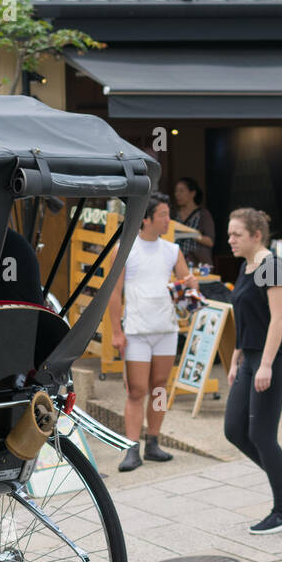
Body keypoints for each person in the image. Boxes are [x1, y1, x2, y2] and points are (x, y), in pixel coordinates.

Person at [223, 208, 282, 535]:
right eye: (230, 234)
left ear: (256, 235)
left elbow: (279, 319)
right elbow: (246, 319)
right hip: (251, 359)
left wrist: (267, 364)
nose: (230, 240)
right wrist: (235, 359)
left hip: (273, 360)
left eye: (236, 235)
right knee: (234, 429)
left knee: (262, 435)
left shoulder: (273, 267)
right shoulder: (247, 267)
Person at [109, 191, 197, 472]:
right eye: (163, 215)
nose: (168, 220)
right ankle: (131, 448)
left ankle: (154, 442)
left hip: (166, 329)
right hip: (136, 330)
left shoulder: (172, 250)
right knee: (136, 390)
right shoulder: (125, 247)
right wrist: (115, 331)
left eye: (168, 215)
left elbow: (189, 291)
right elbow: (114, 292)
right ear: (145, 219)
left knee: (160, 387)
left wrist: (192, 286)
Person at [173, 177, 215, 269]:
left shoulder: (203, 215)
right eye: (176, 191)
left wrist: (191, 234)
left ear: (192, 193)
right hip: (176, 263)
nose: (177, 194)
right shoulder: (174, 215)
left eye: (181, 191)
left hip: (198, 264)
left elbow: (210, 241)